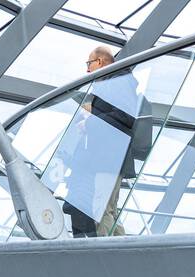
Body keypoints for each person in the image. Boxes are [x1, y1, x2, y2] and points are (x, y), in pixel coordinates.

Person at [59, 46, 144, 237]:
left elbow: (125, 117)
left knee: (101, 210)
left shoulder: (119, 83)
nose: (87, 70)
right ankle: (125, 253)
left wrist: (90, 122)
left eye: (89, 63)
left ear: (100, 62)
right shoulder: (113, 84)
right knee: (107, 210)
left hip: (110, 159)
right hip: (108, 158)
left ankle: (113, 254)